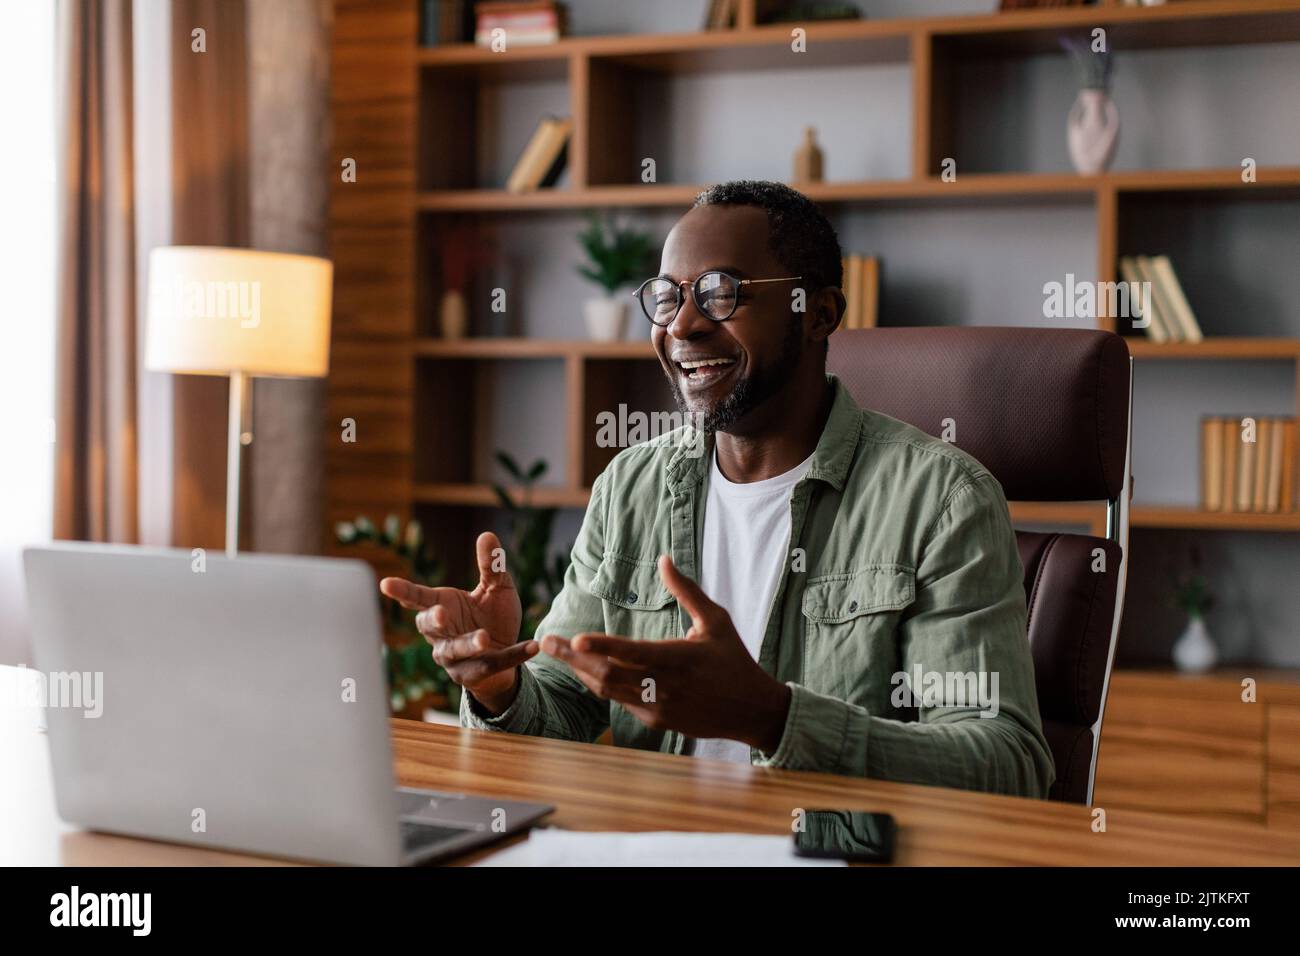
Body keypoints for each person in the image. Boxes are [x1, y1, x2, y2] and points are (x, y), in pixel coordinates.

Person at [382, 180, 1054, 797]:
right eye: (669, 296)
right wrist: (501, 685)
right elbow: (566, 710)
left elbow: (1004, 765)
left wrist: (773, 718)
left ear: (818, 314)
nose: (682, 325)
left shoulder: (942, 500)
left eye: (721, 292)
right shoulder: (632, 486)